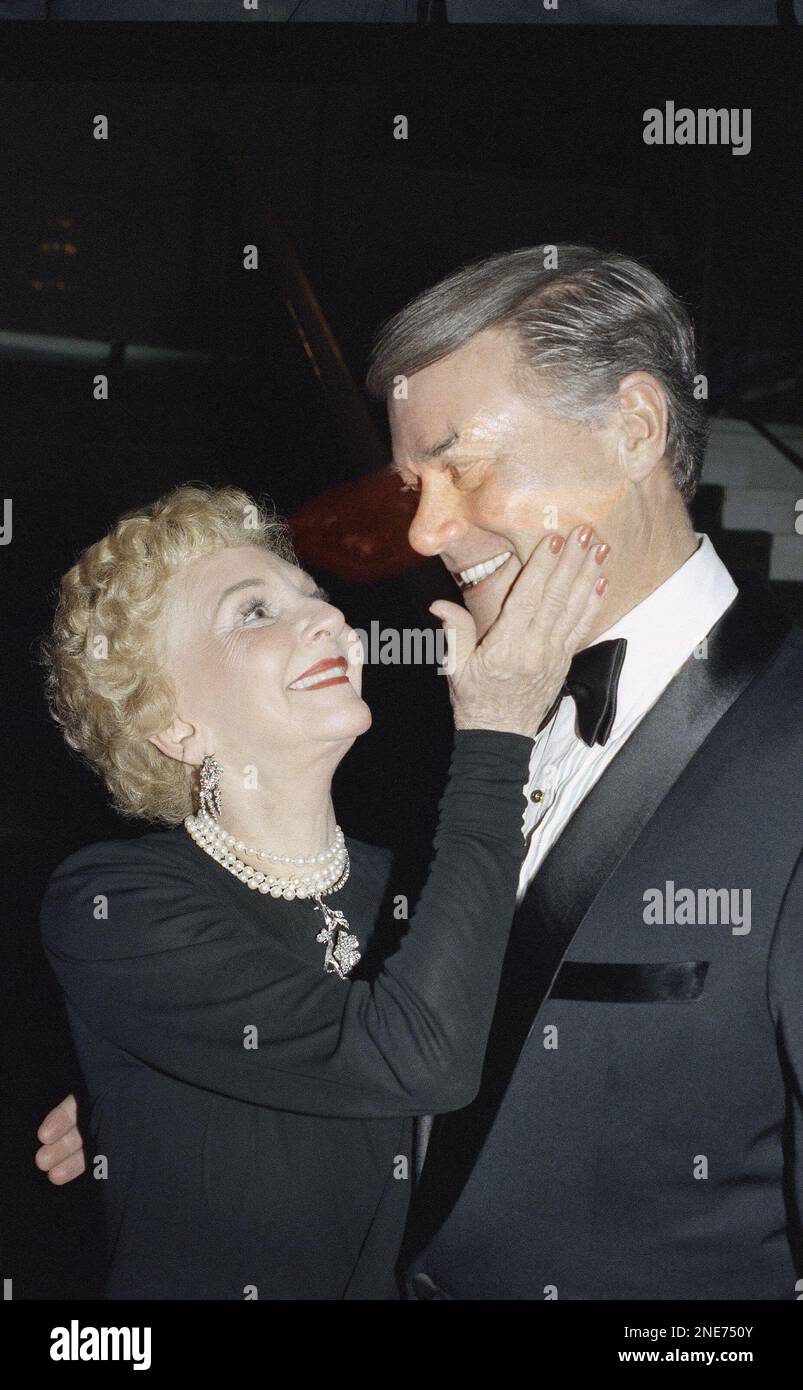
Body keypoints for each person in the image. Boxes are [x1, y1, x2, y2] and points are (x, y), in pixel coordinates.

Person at [40, 244, 803, 1299]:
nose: (426, 530)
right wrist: (181, 1100)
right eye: (413, 486)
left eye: (462, 463)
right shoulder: (451, 774)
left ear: (630, 428)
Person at [35, 481, 607, 1300]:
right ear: (173, 723)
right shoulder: (114, 903)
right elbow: (415, 1060)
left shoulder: (413, 891)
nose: (329, 619)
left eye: (315, 596)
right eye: (253, 612)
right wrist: (494, 734)